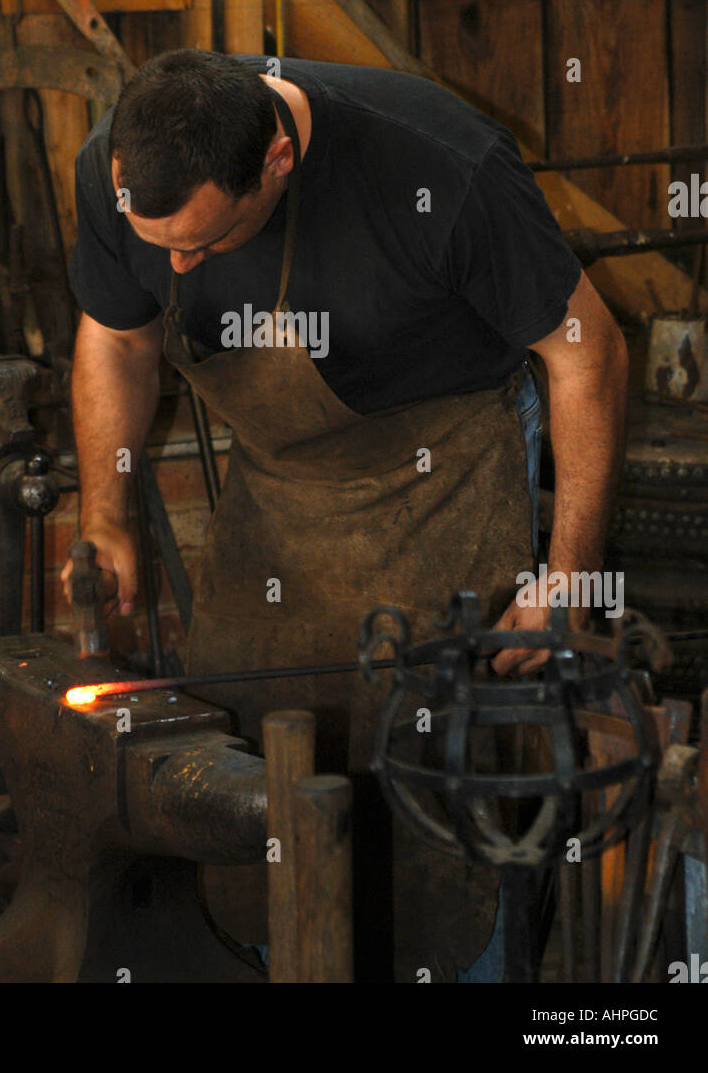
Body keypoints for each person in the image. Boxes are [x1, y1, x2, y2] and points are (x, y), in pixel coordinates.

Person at [63, 48, 629, 980]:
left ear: (278, 158)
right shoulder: (119, 166)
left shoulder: (441, 166)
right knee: (254, 761)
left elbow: (587, 357)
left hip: (441, 471)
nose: (179, 264)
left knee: (446, 769)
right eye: (160, 241)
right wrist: (109, 512)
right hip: (279, 490)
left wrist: (566, 576)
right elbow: (118, 339)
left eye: (204, 244)